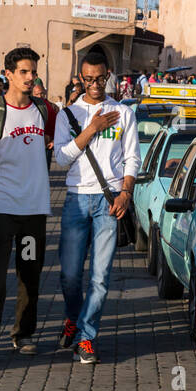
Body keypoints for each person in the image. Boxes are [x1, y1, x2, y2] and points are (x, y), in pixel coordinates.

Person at [0, 47, 57, 366]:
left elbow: (65, 143)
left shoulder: (46, 111)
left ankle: (23, 334)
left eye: (34, 72)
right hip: (2, 209)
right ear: (8, 74)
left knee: (29, 273)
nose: (31, 78)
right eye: (24, 72)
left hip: (34, 213)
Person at [52, 51, 139, 365]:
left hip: (109, 201)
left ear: (109, 75)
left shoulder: (124, 113)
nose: (94, 84)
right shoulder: (68, 115)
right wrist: (92, 128)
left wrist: (125, 193)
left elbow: (132, 158)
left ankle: (86, 337)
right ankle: (73, 318)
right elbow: (61, 157)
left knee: (100, 278)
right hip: (76, 199)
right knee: (70, 275)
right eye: (88, 79)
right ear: (80, 78)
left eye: (100, 78)